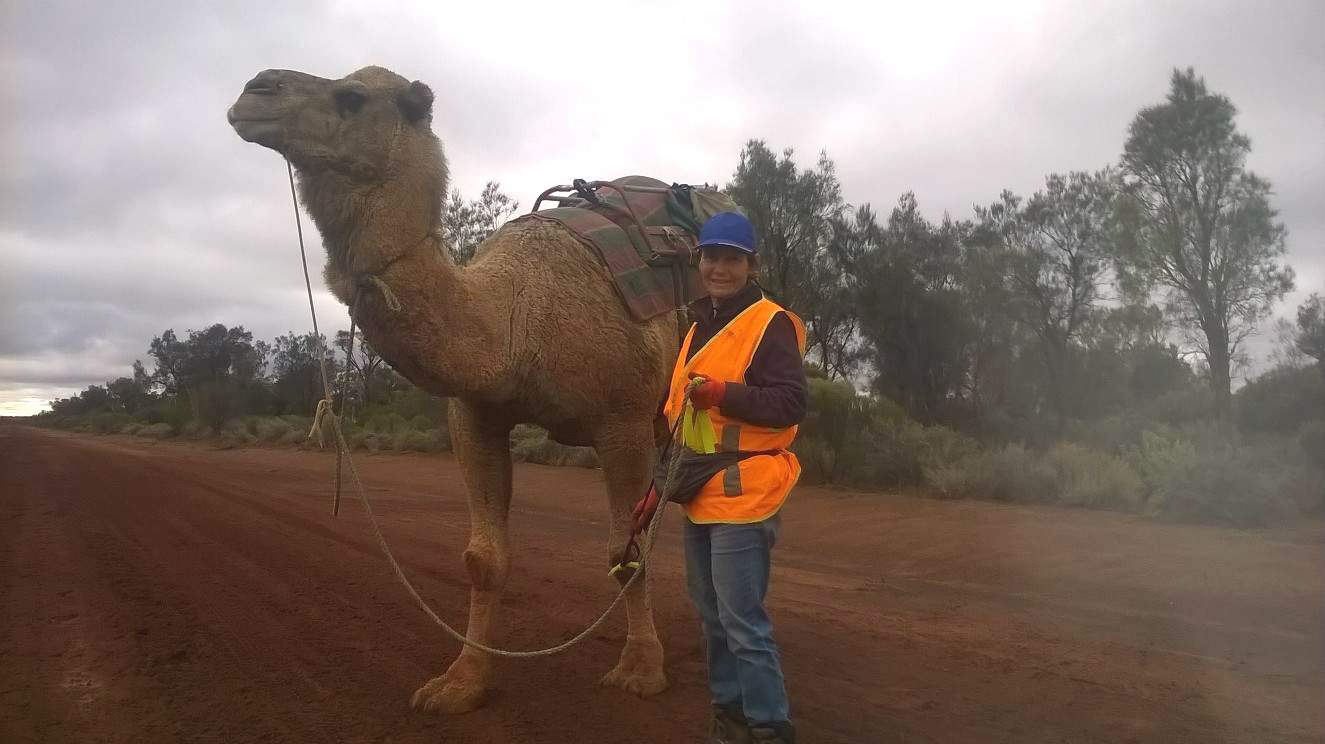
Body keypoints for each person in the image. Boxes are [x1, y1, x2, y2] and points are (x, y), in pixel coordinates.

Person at [633, 211, 807, 744]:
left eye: (732, 258)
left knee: (743, 624)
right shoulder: (696, 328)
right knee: (712, 618)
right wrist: (657, 489)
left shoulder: (768, 322)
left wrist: (723, 393)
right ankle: (730, 722)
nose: (720, 268)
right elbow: (685, 426)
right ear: (699, 262)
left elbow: (790, 402)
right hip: (699, 493)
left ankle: (769, 728)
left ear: (751, 265)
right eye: (712, 257)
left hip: (745, 493)